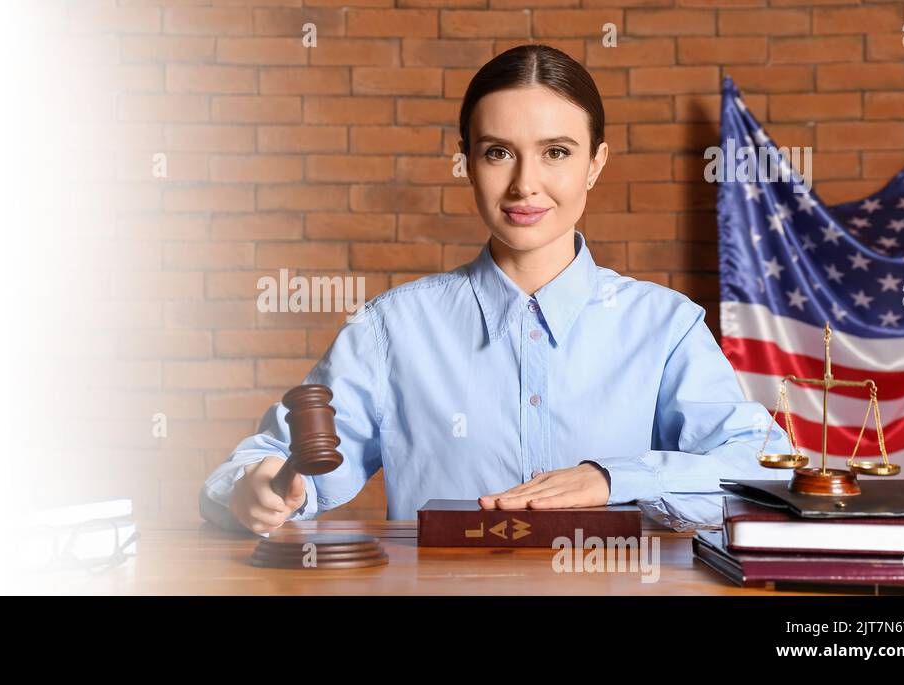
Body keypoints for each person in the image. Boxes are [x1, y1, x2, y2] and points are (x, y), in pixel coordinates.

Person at [198, 43, 793, 536]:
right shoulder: (389, 330)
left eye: (556, 152)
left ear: (595, 163)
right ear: (467, 163)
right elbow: (265, 462)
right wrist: (256, 487)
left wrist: (616, 479)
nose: (524, 185)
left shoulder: (665, 328)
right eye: (498, 153)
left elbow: (761, 474)